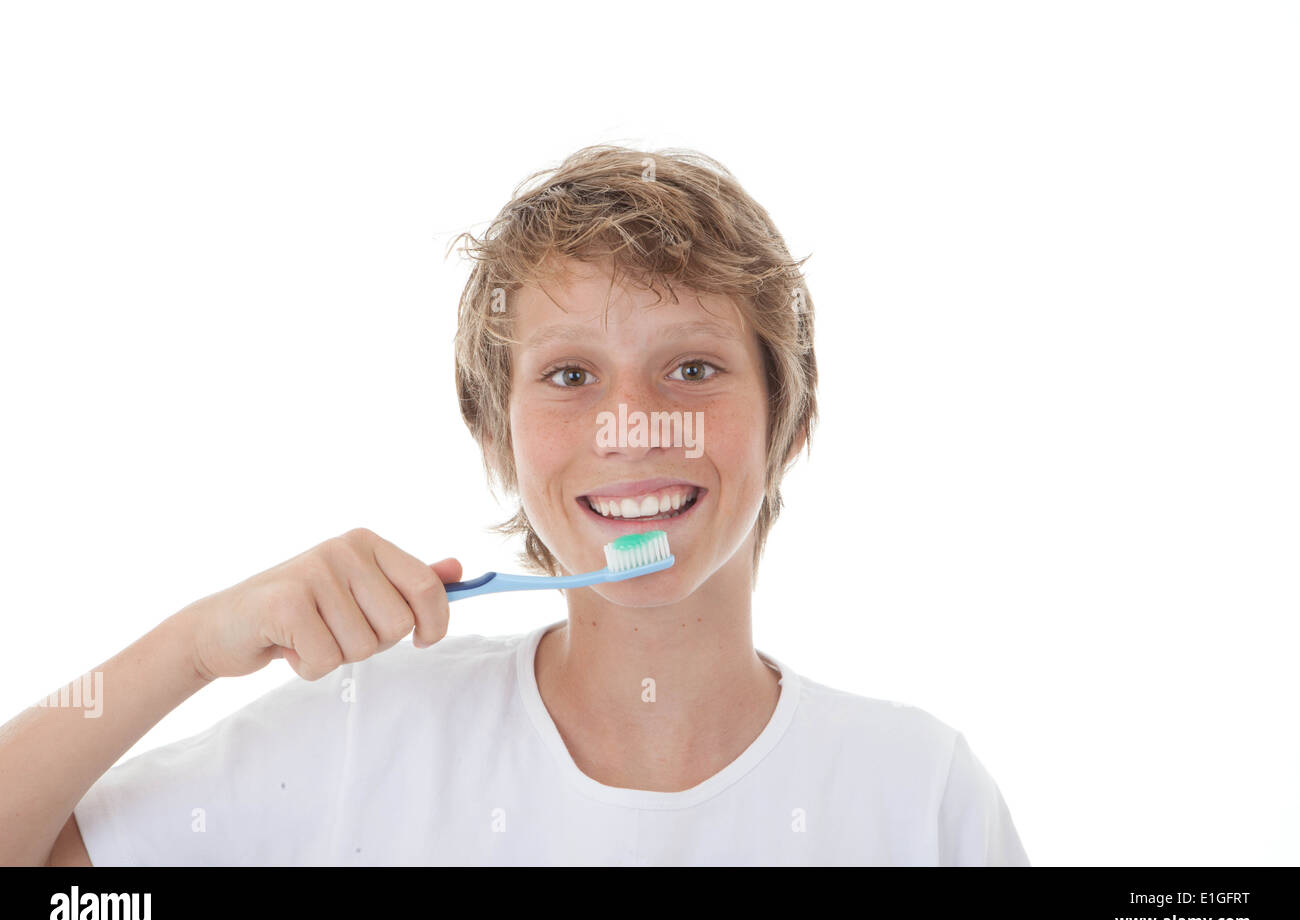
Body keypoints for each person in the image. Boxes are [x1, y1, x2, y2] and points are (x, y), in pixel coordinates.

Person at [2, 144, 1029, 865]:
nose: (631, 425)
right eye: (572, 377)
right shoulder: (360, 738)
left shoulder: (918, 795)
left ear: (787, 425)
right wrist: (192, 644)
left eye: (691, 366)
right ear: (498, 439)